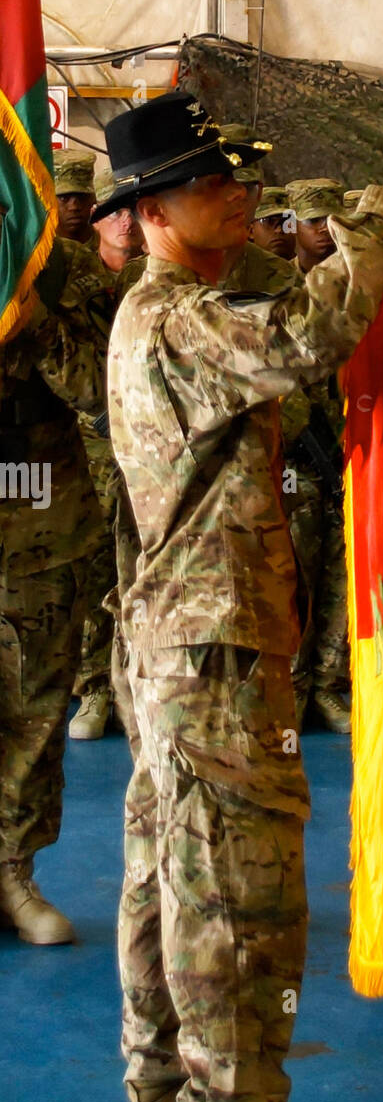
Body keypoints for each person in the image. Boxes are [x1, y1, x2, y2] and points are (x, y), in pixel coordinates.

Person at [99, 89, 383, 1102]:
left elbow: (284, 316)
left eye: (234, 175)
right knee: (239, 898)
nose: (234, 192)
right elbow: (306, 336)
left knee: (163, 881)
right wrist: (382, 218)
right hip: (213, 651)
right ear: (145, 213)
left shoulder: (179, 306)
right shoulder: (175, 320)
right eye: (205, 182)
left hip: (186, 639)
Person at [0, 231, 112, 940]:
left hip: (41, 517)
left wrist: (35, 310)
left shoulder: (65, 269)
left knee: (36, 708)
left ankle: (13, 870)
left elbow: (100, 390)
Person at [69, 171, 146, 740]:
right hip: (90, 449)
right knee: (94, 568)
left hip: (151, 448)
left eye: (134, 210)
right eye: (115, 211)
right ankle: (95, 685)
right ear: (97, 218)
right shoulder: (74, 278)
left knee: (149, 569)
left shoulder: (160, 279)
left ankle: (140, 683)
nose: (126, 219)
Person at [285, 177, 354, 733]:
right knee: (292, 585)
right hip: (294, 466)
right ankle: (290, 688)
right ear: (293, 225)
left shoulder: (354, 292)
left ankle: (330, 686)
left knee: (342, 581)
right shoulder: (278, 289)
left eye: (333, 221)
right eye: (314, 222)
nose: (325, 233)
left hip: (348, 457)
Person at [53, 153, 98, 246]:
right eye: (64, 198)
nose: (74, 207)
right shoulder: (37, 253)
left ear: (93, 199)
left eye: (82, 196)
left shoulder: (110, 245)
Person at [250, 187, 297, 261]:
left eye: (286, 221)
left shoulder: (316, 270)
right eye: (268, 221)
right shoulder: (235, 270)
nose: (279, 230)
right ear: (251, 230)